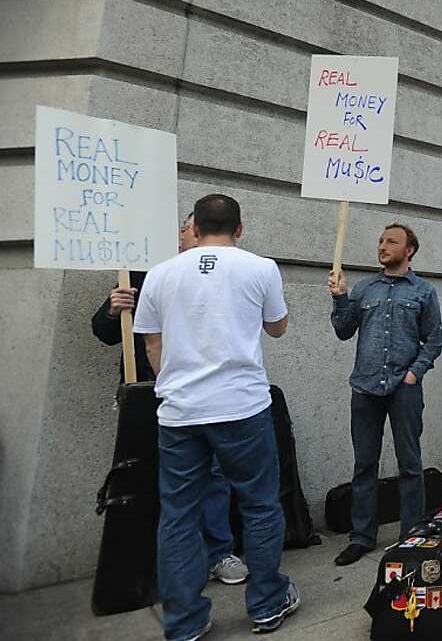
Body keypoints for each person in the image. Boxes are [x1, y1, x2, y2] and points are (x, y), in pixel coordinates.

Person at [133, 194, 298, 638]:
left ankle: (185, 621)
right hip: (242, 406)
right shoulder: (260, 267)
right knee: (261, 505)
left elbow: (151, 344)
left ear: (195, 227)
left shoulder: (161, 273)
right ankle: (266, 603)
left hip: (180, 410)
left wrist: (174, 383)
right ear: (239, 228)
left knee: (179, 515)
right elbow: (277, 327)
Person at [93, 212, 248, 588]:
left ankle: (217, 553)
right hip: (153, 394)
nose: (190, 232)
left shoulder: (227, 277)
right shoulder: (151, 274)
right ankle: (163, 563)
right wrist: (114, 309)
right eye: (186, 227)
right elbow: (106, 332)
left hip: (209, 396)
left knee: (212, 474)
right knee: (157, 476)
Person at [329, 224, 442, 565]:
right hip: (364, 387)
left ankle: (412, 533)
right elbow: (343, 331)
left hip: (403, 388)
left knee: (410, 463)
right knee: (365, 463)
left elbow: (434, 340)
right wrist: (339, 296)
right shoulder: (365, 289)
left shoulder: (423, 291)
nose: (382, 246)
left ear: (409, 250)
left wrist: (414, 373)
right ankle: (362, 536)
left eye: (391, 241)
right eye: (380, 240)